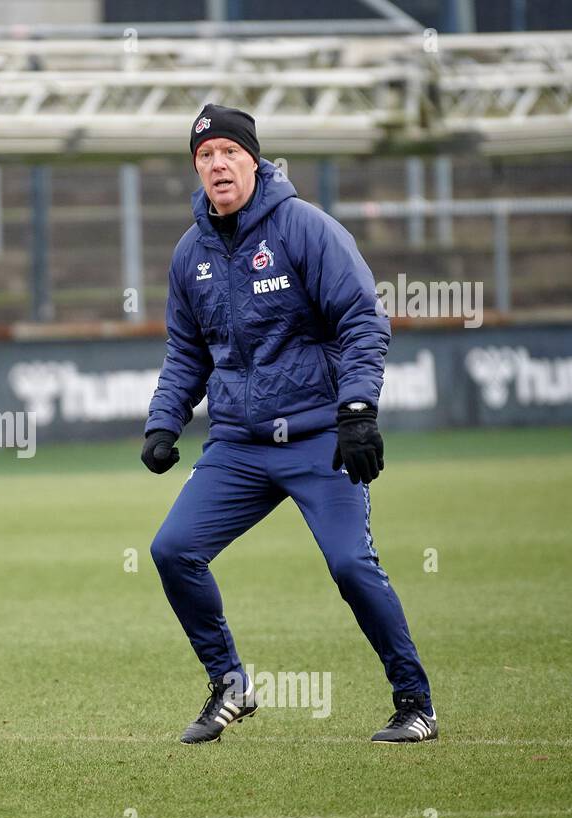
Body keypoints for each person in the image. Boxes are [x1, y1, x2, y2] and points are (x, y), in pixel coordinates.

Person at [142, 103, 436, 745]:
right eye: (204, 156)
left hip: (317, 440)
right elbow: (186, 351)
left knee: (352, 567)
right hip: (238, 446)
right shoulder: (189, 251)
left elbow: (363, 320)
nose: (217, 164)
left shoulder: (305, 228)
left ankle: (415, 701)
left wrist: (357, 412)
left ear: (253, 159)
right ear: (196, 169)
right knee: (172, 551)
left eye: (228, 152)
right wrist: (164, 422)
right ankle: (230, 683)